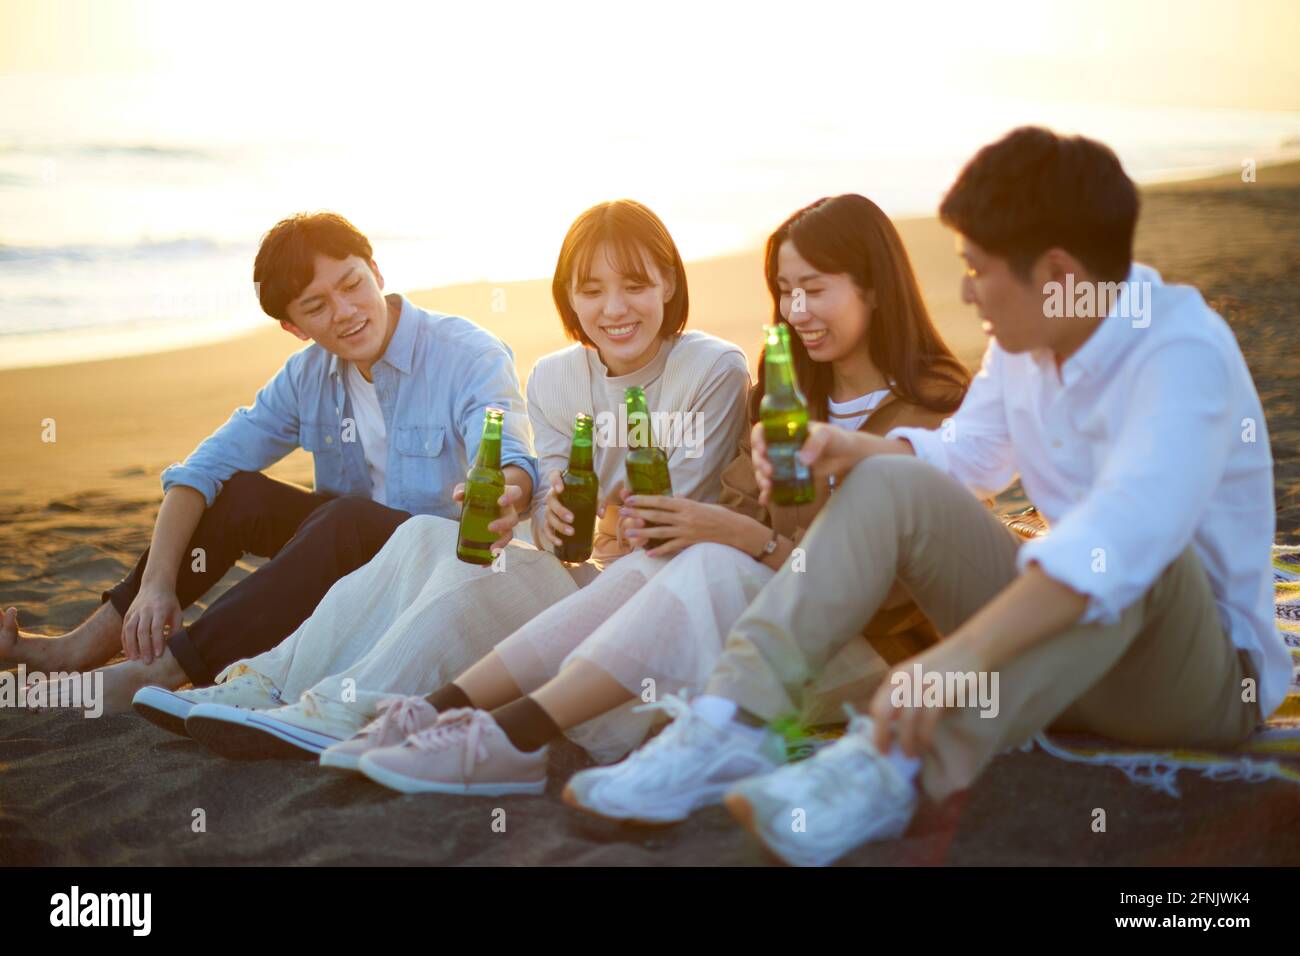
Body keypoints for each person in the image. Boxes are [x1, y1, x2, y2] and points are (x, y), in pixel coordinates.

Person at [561, 126, 1289, 866]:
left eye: (977, 268)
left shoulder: (1180, 352)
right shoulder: (1023, 340)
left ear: (1058, 270)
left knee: (1128, 554)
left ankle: (888, 768)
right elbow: (966, 456)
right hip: (1063, 672)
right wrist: (851, 448)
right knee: (890, 477)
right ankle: (727, 722)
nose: (966, 290)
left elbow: (1127, 532)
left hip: (1195, 681)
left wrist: (958, 658)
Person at [346, 193, 972, 795]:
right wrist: (647, 525)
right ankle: (440, 710)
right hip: (769, 630)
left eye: (817, 287)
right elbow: (728, 517)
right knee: (674, 563)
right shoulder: (788, 399)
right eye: (785, 290)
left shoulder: (934, 411)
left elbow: (892, 596)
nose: (798, 308)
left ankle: (510, 735)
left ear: (874, 287)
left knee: (707, 563)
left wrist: (752, 539)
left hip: (879, 659)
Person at [144, 199, 752, 760]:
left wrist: (606, 521)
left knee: (455, 557)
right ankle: (270, 685)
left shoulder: (712, 368)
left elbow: (685, 527)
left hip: (655, 602)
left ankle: (346, 708)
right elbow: (549, 531)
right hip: (588, 579)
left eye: (637, 285)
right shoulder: (556, 376)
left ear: (670, 281)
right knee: (425, 537)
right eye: (591, 290)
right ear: (567, 294)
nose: (614, 309)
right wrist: (554, 513)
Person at [1, 212, 537, 713]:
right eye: (316, 305)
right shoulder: (308, 376)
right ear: (295, 327)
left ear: (375, 271)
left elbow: (511, 453)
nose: (345, 312)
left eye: (351, 284)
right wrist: (157, 585)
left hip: (445, 571)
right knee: (240, 494)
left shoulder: (467, 353)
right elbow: (200, 471)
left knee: (345, 516)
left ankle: (163, 671)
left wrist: (507, 492)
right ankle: (77, 649)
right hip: (350, 569)